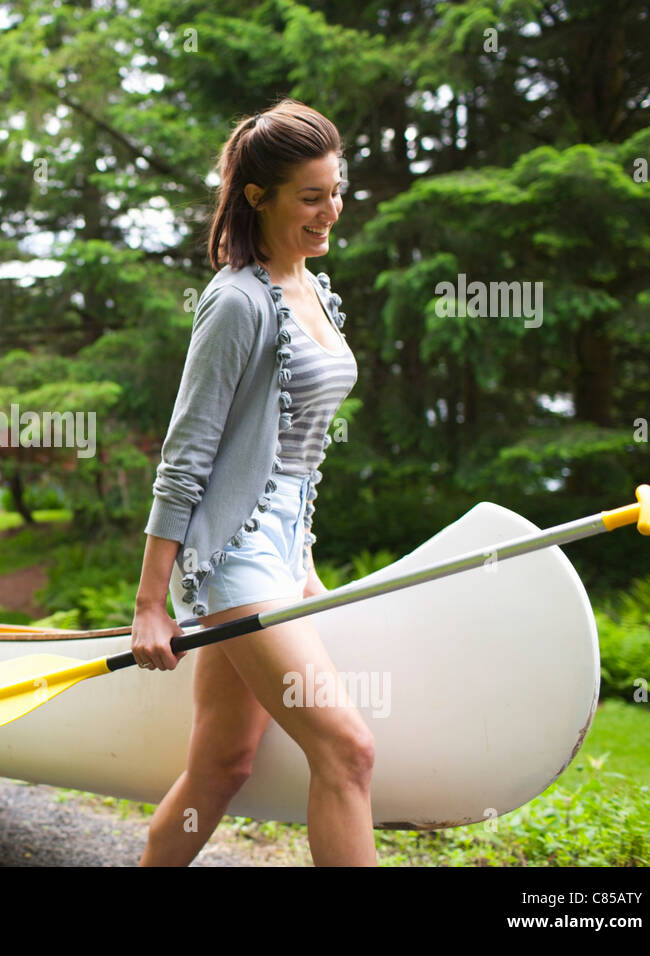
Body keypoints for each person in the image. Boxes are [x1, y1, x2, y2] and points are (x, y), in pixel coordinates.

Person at [131, 99, 374, 866]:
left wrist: (300, 558)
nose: (330, 209)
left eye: (336, 191)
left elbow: (291, 453)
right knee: (347, 749)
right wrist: (149, 604)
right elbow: (187, 455)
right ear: (258, 196)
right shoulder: (236, 302)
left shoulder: (314, 288)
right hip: (230, 559)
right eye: (311, 196)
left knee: (221, 769)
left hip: (281, 553)